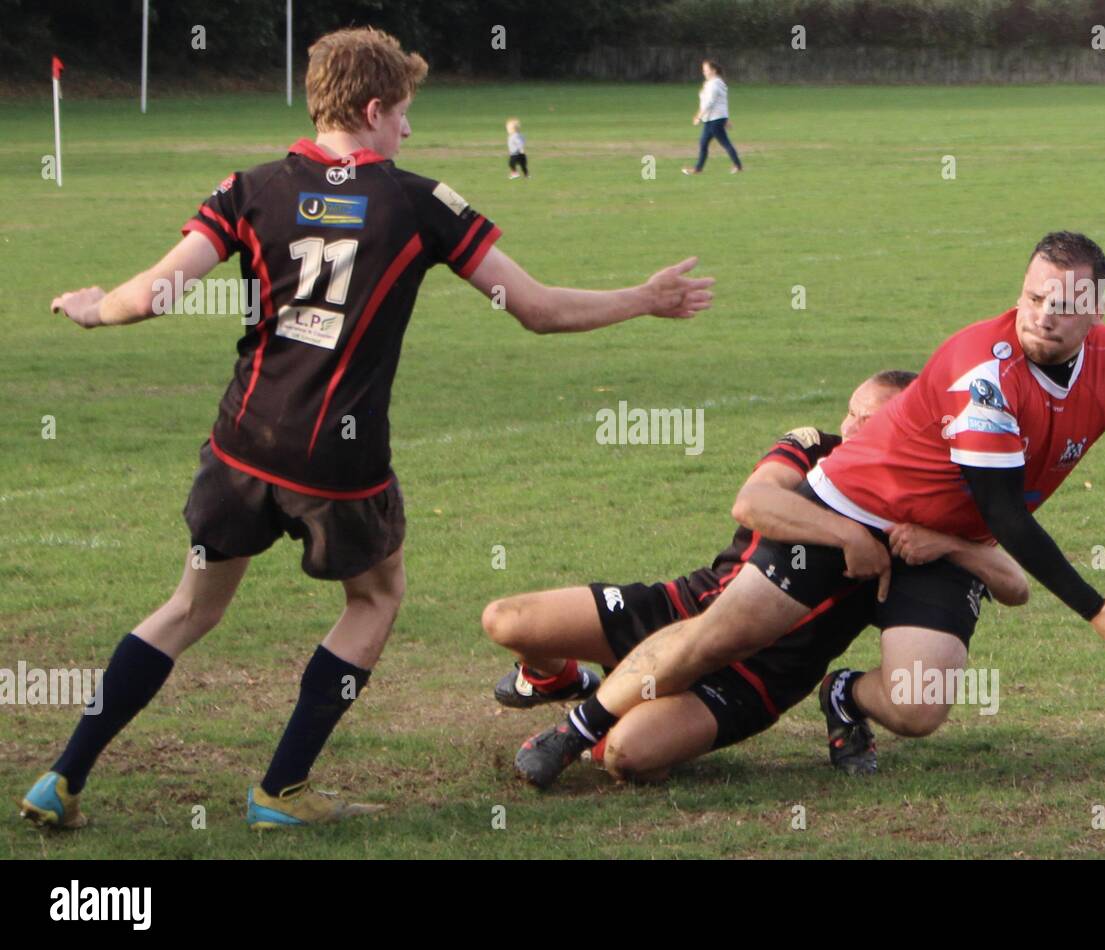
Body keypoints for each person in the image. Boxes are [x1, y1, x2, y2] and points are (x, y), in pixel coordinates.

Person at [21, 27, 714, 830]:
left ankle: (62, 777)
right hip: (335, 460)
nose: (409, 133)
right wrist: (644, 297)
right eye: (404, 114)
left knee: (187, 609)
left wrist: (91, 308)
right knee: (376, 597)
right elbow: (537, 309)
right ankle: (281, 792)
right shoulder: (419, 203)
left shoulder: (248, 188)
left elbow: (149, 297)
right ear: (374, 107)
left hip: (242, 440)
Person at [515, 231, 1105, 788]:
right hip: (848, 507)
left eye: (1064, 304)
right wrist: (1099, 611)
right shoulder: (984, 368)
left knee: (920, 707)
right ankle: (576, 729)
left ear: (1097, 310)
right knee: (716, 638)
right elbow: (1007, 514)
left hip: (947, 535)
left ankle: (846, 697)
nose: (1042, 314)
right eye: (1032, 296)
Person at [494, 371, 1027, 785]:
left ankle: (837, 694)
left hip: (760, 676)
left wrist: (949, 546)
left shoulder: (926, 505)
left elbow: (1014, 584)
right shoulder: (816, 447)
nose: (854, 431)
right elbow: (753, 502)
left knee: (627, 757)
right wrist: (847, 535)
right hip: (689, 605)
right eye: (852, 414)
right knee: (506, 621)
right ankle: (563, 681)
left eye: (873, 422)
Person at [682, 60, 742, 176]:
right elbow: (722, 102)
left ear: (713, 71)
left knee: (724, 142)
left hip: (715, 119)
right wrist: (726, 118)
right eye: (703, 70)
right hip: (712, 118)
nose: (704, 72)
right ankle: (698, 169)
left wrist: (698, 116)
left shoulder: (714, 84)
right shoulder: (711, 83)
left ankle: (738, 166)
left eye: (706, 70)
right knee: (703, 143)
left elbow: (709, 103)